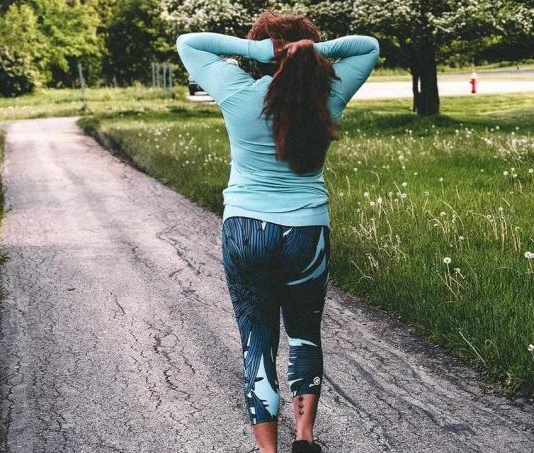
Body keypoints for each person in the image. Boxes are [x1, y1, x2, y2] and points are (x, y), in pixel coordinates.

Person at [175, 9, 379, 453]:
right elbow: (367, 46)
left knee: (257, 340)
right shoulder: (328, 96)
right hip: (306, 231)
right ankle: (304, 438)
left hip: (246, 229)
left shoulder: (237, 91)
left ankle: (268, 450)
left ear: (266, 53)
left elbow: (188, 42)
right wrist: (311, 51)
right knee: (305, 333)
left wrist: (258, 49)